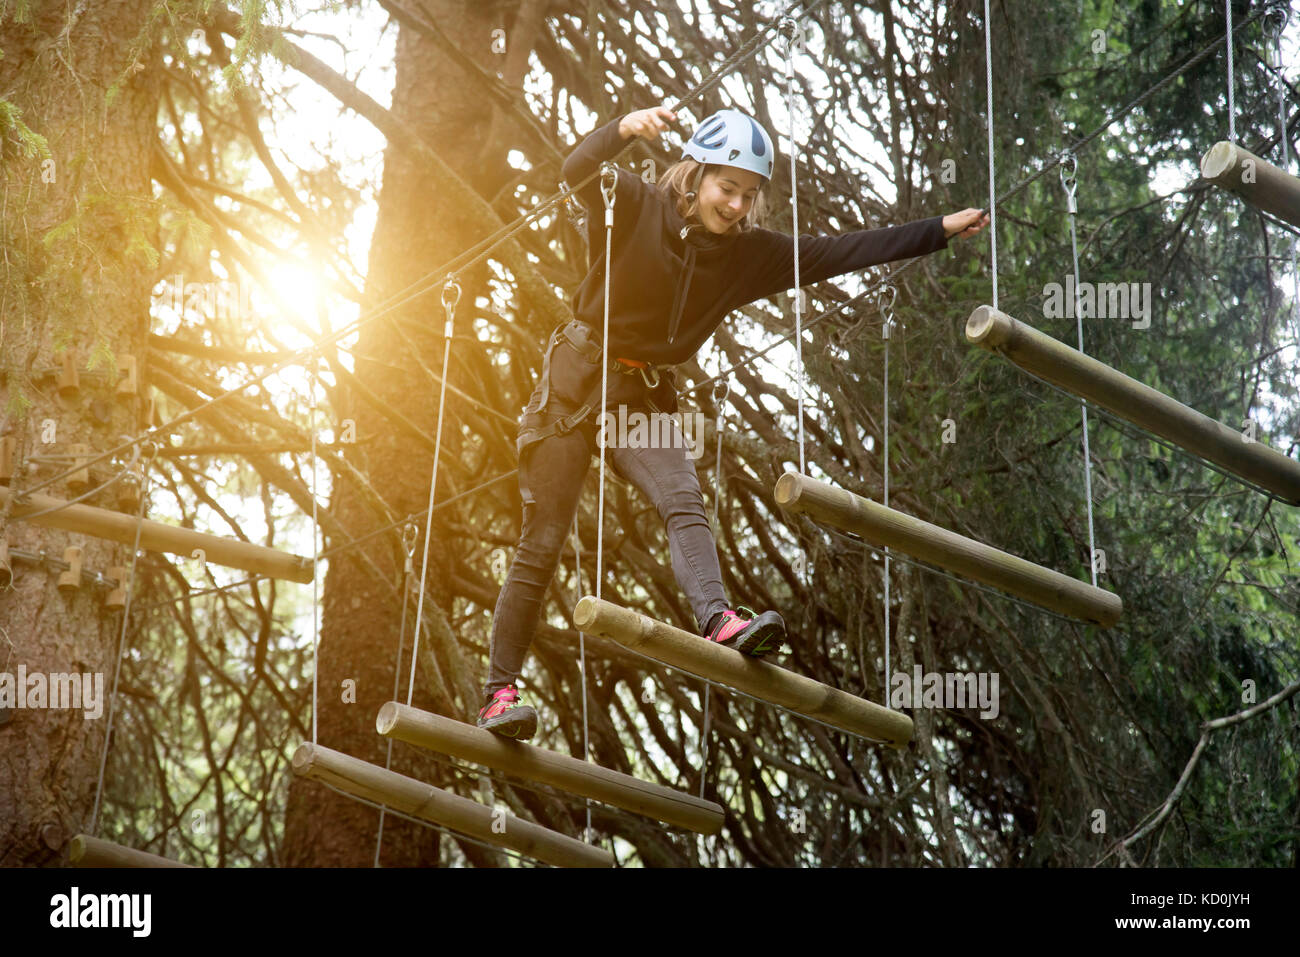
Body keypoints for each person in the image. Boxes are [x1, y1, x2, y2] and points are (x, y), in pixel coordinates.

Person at [477, 106, 989, 739]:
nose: (737, 205)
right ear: (693, 176)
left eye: (749, 195)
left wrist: (937, 229)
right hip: (573, 388)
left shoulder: (748, 256)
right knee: (543, 540)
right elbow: (576, 167)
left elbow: (837, 253)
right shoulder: (632, 203)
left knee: (683, 498)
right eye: (727, 188)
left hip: (641, 399)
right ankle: (499, 695)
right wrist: (624, 129)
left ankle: (718, 620)